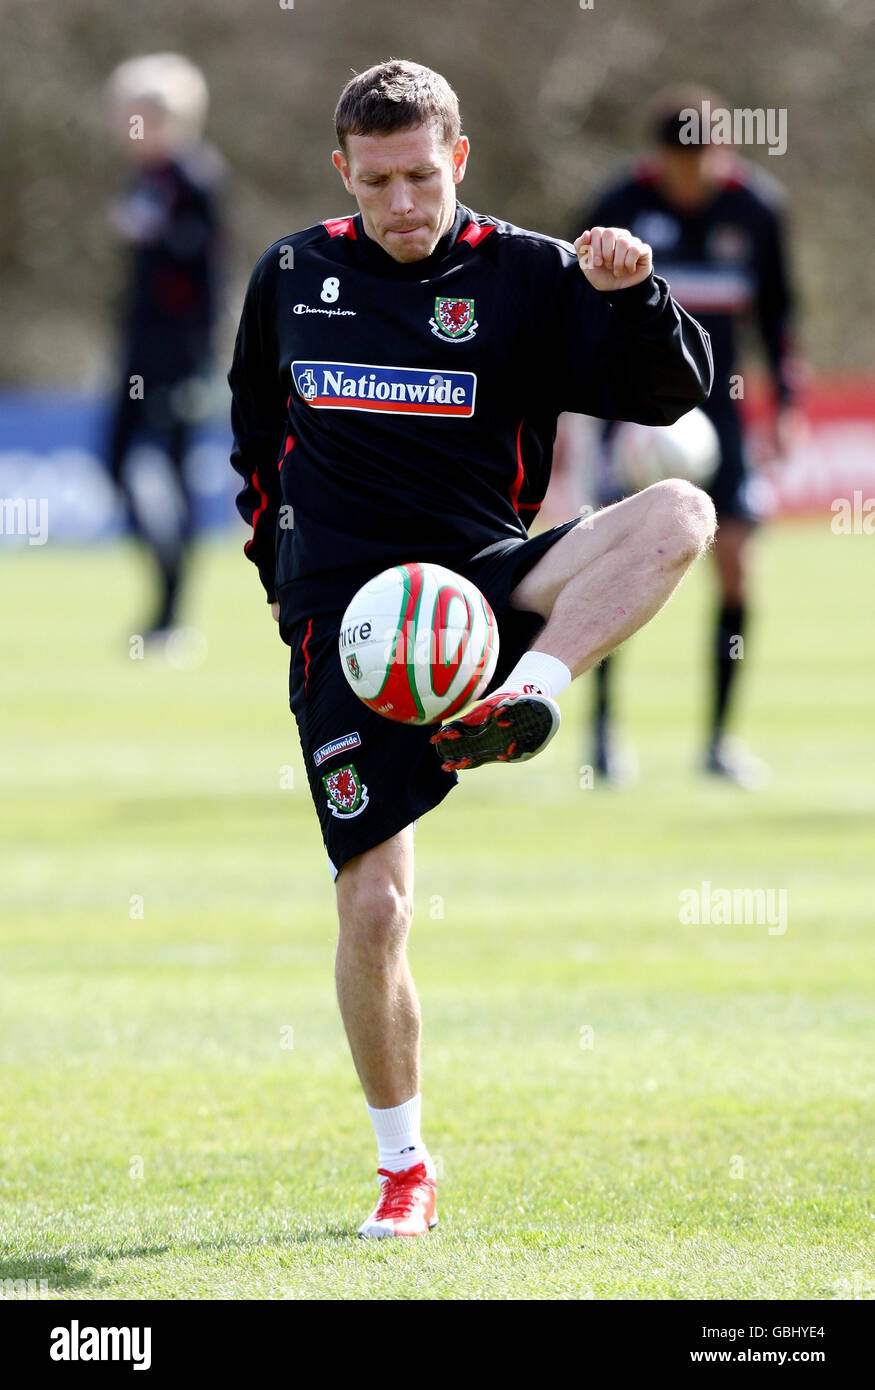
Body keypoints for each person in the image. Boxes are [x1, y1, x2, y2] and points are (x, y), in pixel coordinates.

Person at [229, 60, 715, 1238]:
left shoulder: (531, 275)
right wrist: (287, 584)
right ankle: (403, 1164)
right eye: (378, 178)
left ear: (460, 159)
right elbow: (252, 443)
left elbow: (671, 397)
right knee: (376, 910)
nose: (403, 201)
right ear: (344, 171)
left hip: (484, 581)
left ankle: (529, 696)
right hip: (348, 623)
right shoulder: (292, 272)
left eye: (422, 174)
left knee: (681, 517)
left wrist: (639, 295)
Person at [572, 86, 798, 787]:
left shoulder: (756, 208)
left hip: (721, 417)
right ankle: (604, 738)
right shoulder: (618, 206)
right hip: (634, 413)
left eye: (710, 159)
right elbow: (570, 303)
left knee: (735, 562)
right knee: (616, 566)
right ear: (660, 158)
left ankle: (717, 743)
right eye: (685, 160)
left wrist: (784, 404)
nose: (697, 174)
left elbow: (780, 312)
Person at [105, 53, 225, 639]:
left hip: (179, 356)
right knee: (116, 462)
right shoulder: (144, 179)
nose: (122, 125)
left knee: (173, 472)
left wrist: (202, 361)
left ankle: (172, 614)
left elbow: (207, 275)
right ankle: (163, 598)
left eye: (132, 114)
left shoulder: (195, 179)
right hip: (138, 351)